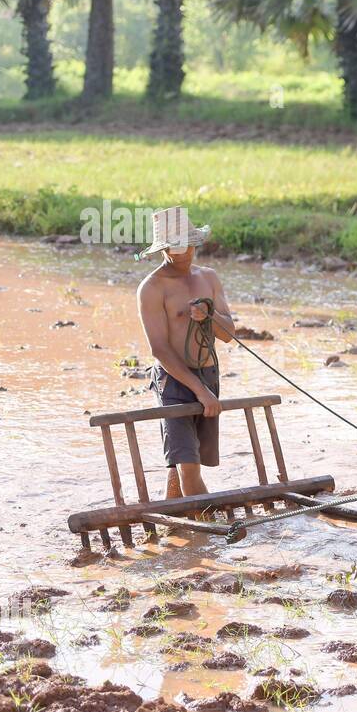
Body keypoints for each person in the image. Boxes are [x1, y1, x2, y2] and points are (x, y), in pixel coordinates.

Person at [135, 206, 235, 498]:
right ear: (163, 250)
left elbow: (228, 335)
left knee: (182, 464)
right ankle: (211, 531)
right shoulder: (152, 288)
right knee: (188, 467)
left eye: (188, 245)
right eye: (175, 248)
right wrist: (201, 392)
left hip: (209, 373)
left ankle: (176, 532)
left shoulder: (209, 277)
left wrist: (210, 314)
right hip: (175, 381)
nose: (184, 253)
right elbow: (160, 350)